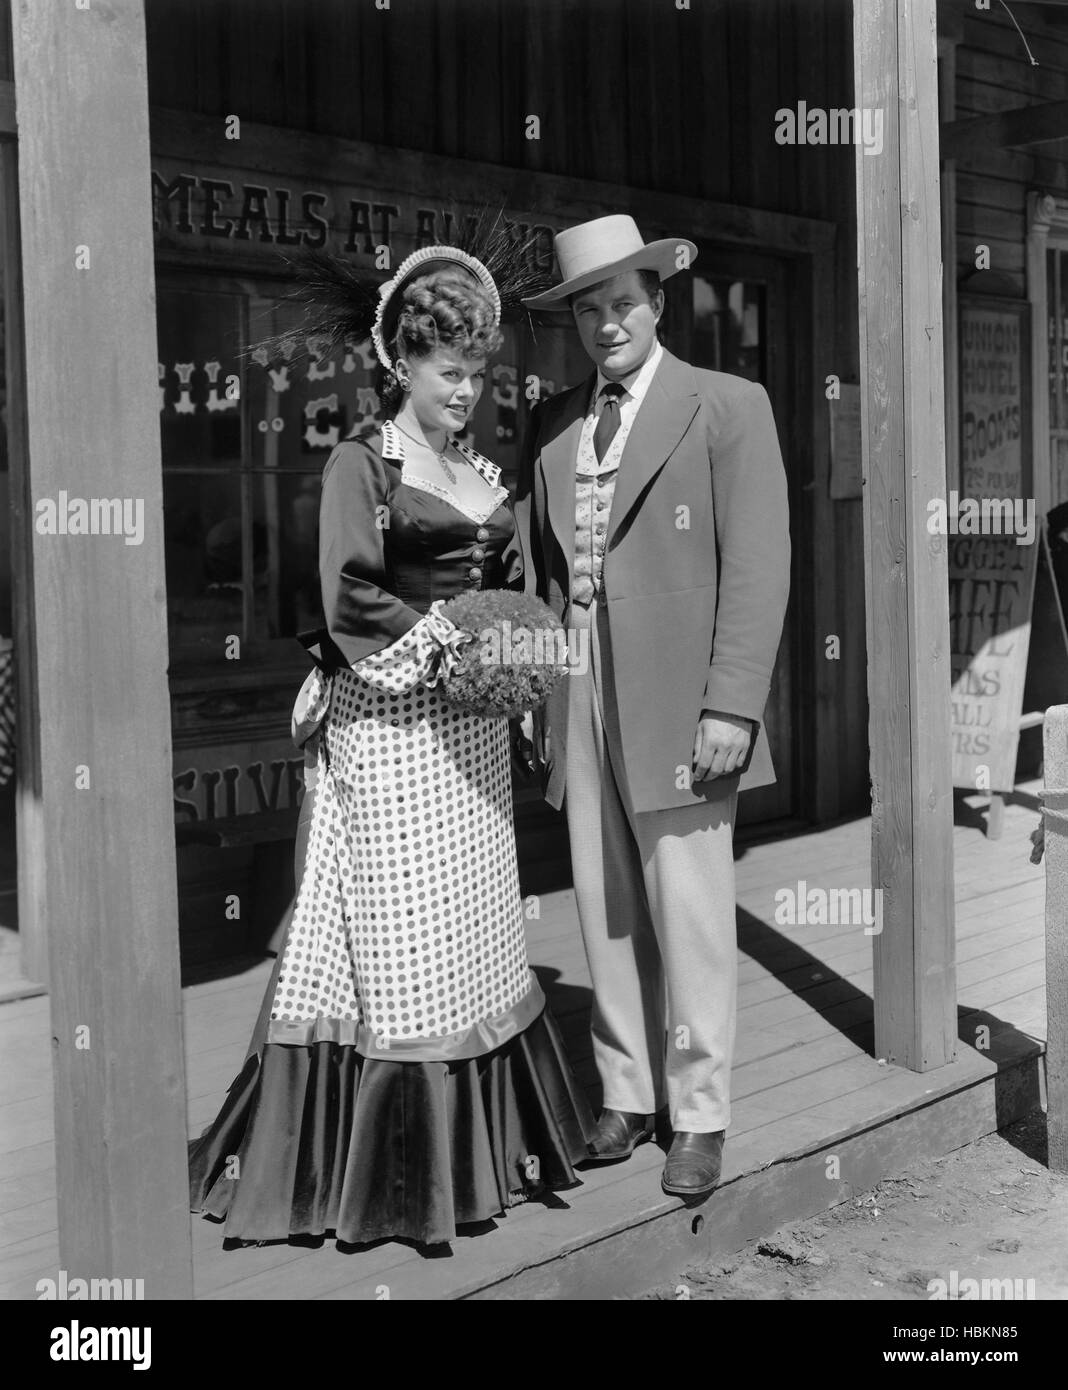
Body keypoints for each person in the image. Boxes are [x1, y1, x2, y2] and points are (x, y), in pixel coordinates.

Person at [189, 242, 594, 1248]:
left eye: (479, 374)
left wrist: (522, 639)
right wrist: (451, 643)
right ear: (403, 367)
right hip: (395, 725)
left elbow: (508, 575)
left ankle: (484, 1153)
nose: (467, 392)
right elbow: (348, 595)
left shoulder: (479, 470)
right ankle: (399, 1175)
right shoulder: (361, 464)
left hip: (477, 739)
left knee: (475, 930)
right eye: (450, 373)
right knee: (401, 938)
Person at [516, 215, 791, 1199]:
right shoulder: (552, 426)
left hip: (684, 697)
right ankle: (628, 1094)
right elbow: (546, 572)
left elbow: (758, 568)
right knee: (604, 899)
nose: (606, 323)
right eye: (588, 308)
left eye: (621, 301)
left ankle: (700, 1113)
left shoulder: (725, 406)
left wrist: (731, 706)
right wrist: (539, 684)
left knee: (690, 907)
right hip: (581, 686)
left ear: (656, 301)